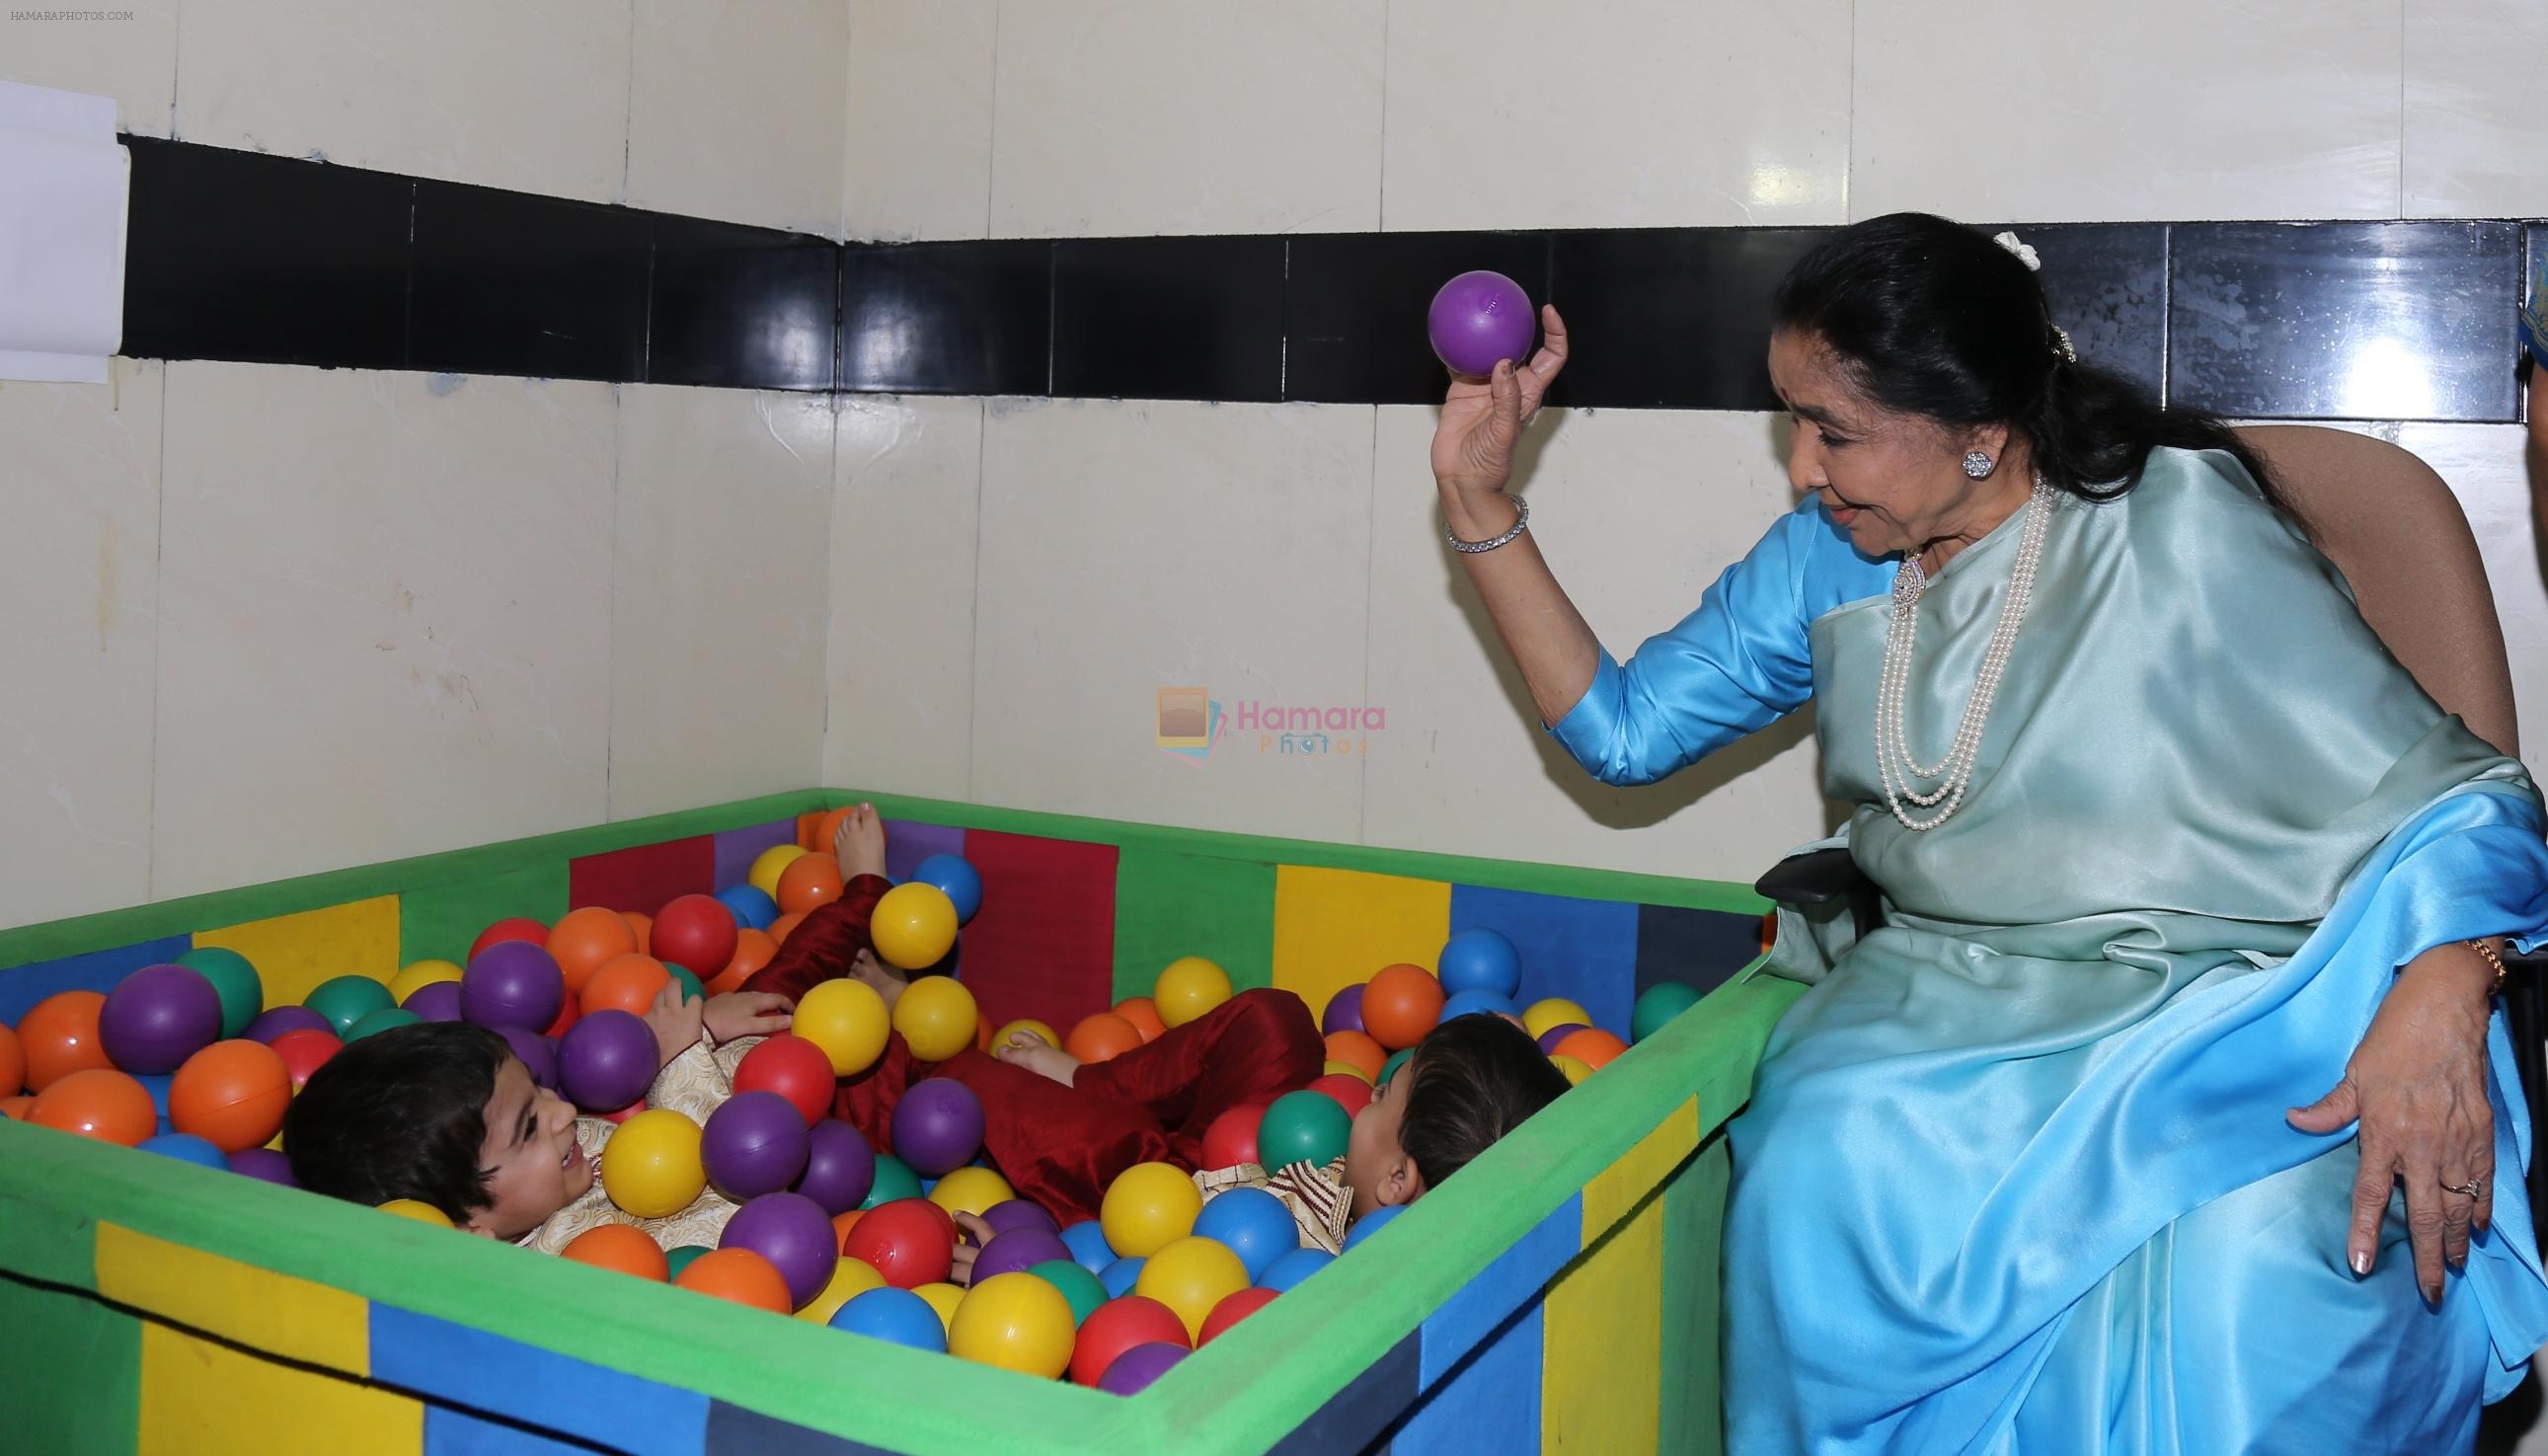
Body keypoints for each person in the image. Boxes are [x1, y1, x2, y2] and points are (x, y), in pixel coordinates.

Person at [1428, 210, 2548, 1451]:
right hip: (1943, 1022)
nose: (1801, 468)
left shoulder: (2172, 531)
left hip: (2239, 1014)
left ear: (1974, 430)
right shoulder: (1828, 559)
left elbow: (2466, 797)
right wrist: (1478, 500)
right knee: (1816, 1169)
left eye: (1833, 431)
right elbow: (1624, 733)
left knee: (2244, 1285)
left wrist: (2449, 983)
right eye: (1792, 420)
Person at [287, 805, 1568, 1263]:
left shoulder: (620, 1109)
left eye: (538, 1092)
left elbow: (785, 1020)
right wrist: (702, 1057)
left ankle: (1100, 1089)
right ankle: (1106, 1106)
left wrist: (715, 1027)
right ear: (456, 1215)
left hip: (1043, 1133)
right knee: (1127, 1144)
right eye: (526, 1123)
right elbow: (712, 1140)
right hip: (1033, 1166)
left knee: (1276, 1026)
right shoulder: (585, 1223)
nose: (563, 1107)